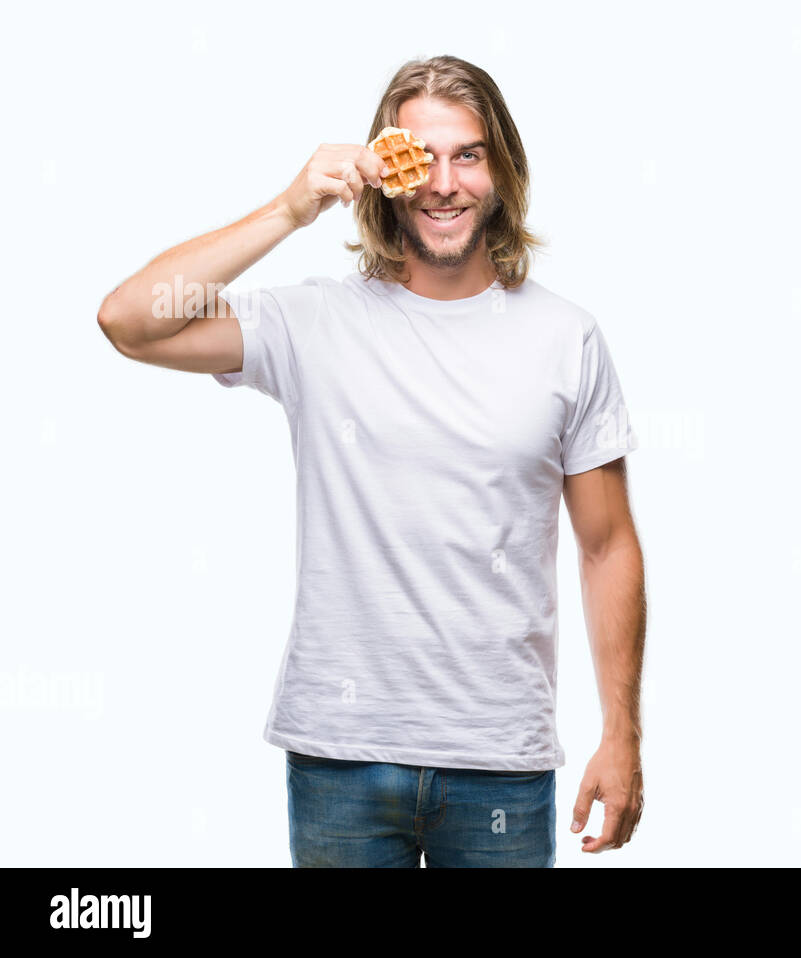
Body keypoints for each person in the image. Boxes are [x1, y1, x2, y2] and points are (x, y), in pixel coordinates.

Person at [96, 55, 646, 867]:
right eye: (422, 159)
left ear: (503, 170)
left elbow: (607, 546)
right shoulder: (314, 321)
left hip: (500, 760)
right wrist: (290, 208)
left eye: (468, 155)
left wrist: (621, 735)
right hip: (341, 759)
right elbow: (129, 320)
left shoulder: (567, 339)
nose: (444, 184)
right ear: (387, 172)